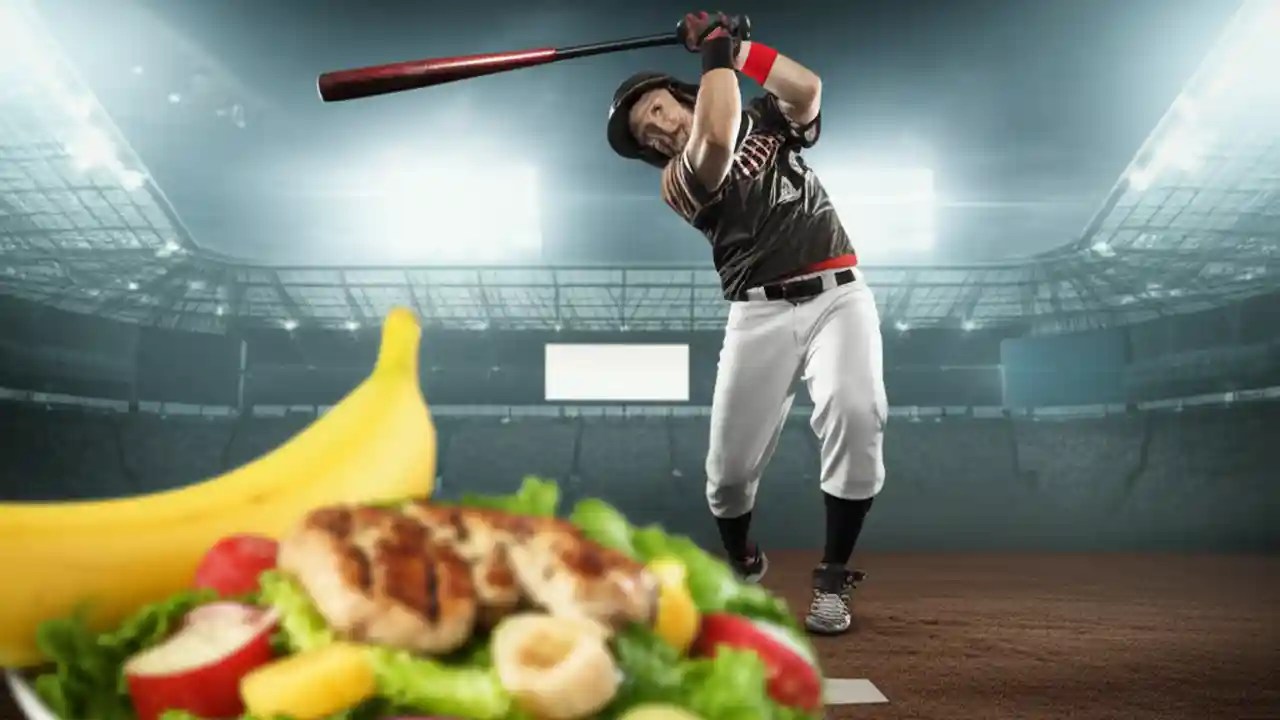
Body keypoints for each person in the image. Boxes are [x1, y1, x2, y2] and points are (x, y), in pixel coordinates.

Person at [604, 11, 888, 635]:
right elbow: (715, 138)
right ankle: (743, 559)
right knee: (727, 480)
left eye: (653, 110)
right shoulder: (678, 182)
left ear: (681, 94)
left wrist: (742, 49)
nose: (652, 131)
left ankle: (833, 578)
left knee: (857, 413)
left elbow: (807, 90)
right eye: (641, 134)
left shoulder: (762, 113)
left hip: (837, 294)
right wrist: (714, 56)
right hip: (756, 313)